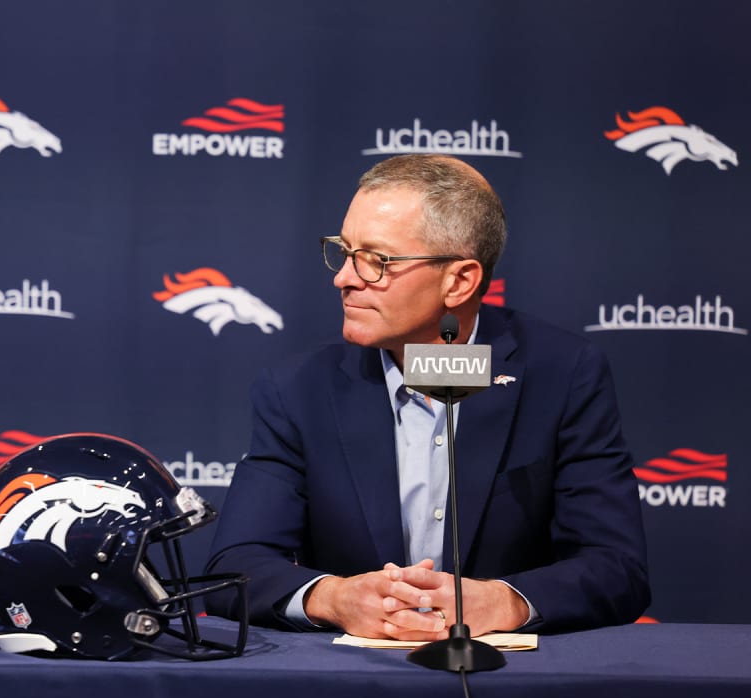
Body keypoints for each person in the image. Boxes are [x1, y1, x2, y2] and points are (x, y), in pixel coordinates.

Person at [205, 154, 649, 640]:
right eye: (344, 251)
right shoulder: (297, 389)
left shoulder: (562, 374)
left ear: (459, 281)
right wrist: (333, 597)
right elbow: (233, 569)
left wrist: (505, 601)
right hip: (349, 682)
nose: (345, 277)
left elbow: (618, 568)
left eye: (378, 260)